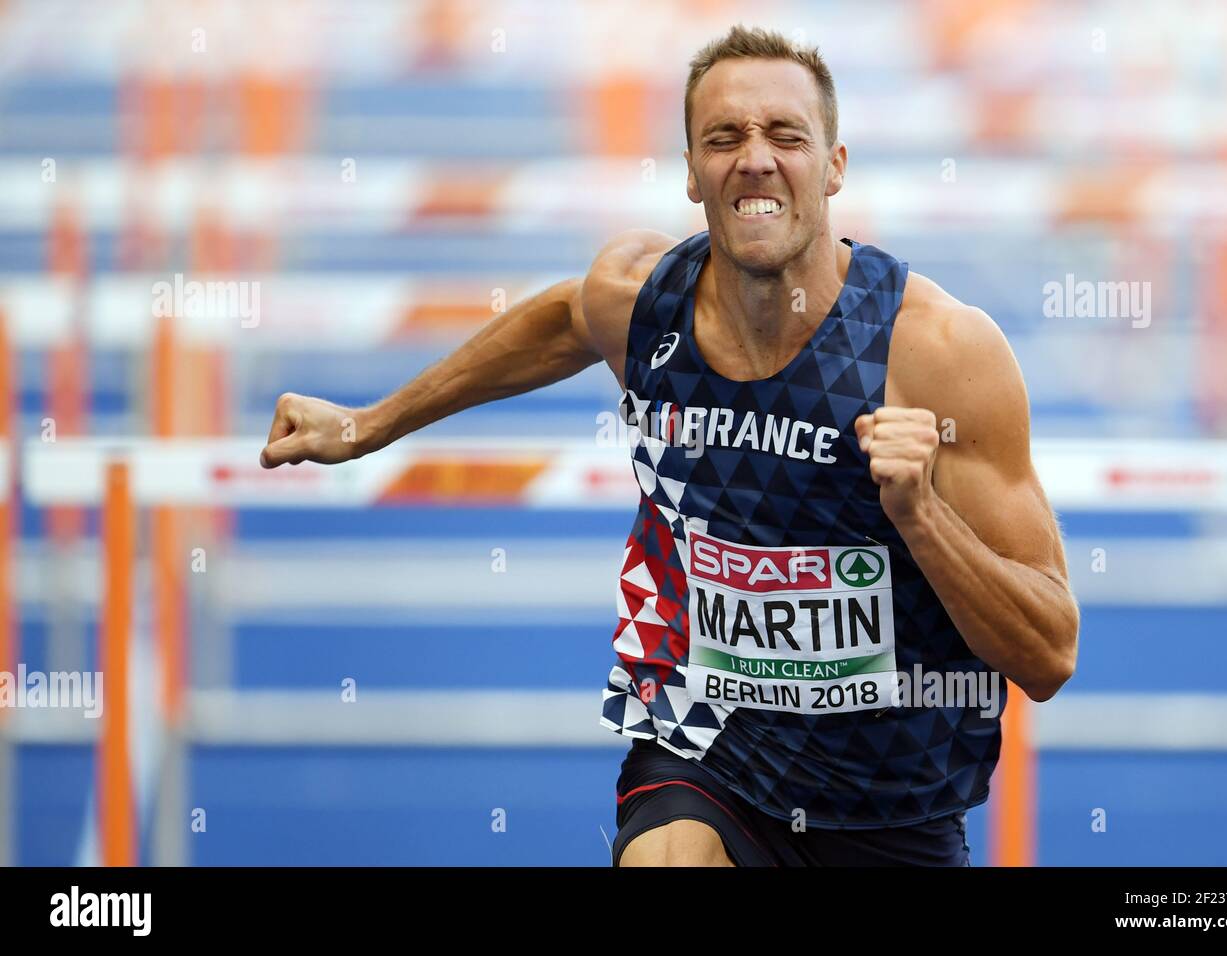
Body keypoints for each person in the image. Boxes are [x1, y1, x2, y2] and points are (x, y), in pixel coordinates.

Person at [260, 24, 1079, 867]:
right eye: (723, 138)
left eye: (785, 136)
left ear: (835, 166)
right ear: (692, 173)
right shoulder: (649, 306)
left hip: (893, 808)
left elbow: (1048, 652)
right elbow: (561, 320)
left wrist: (921, 516)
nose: (754, 159)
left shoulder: (937, 353)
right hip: (705, 753)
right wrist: (367, 426)